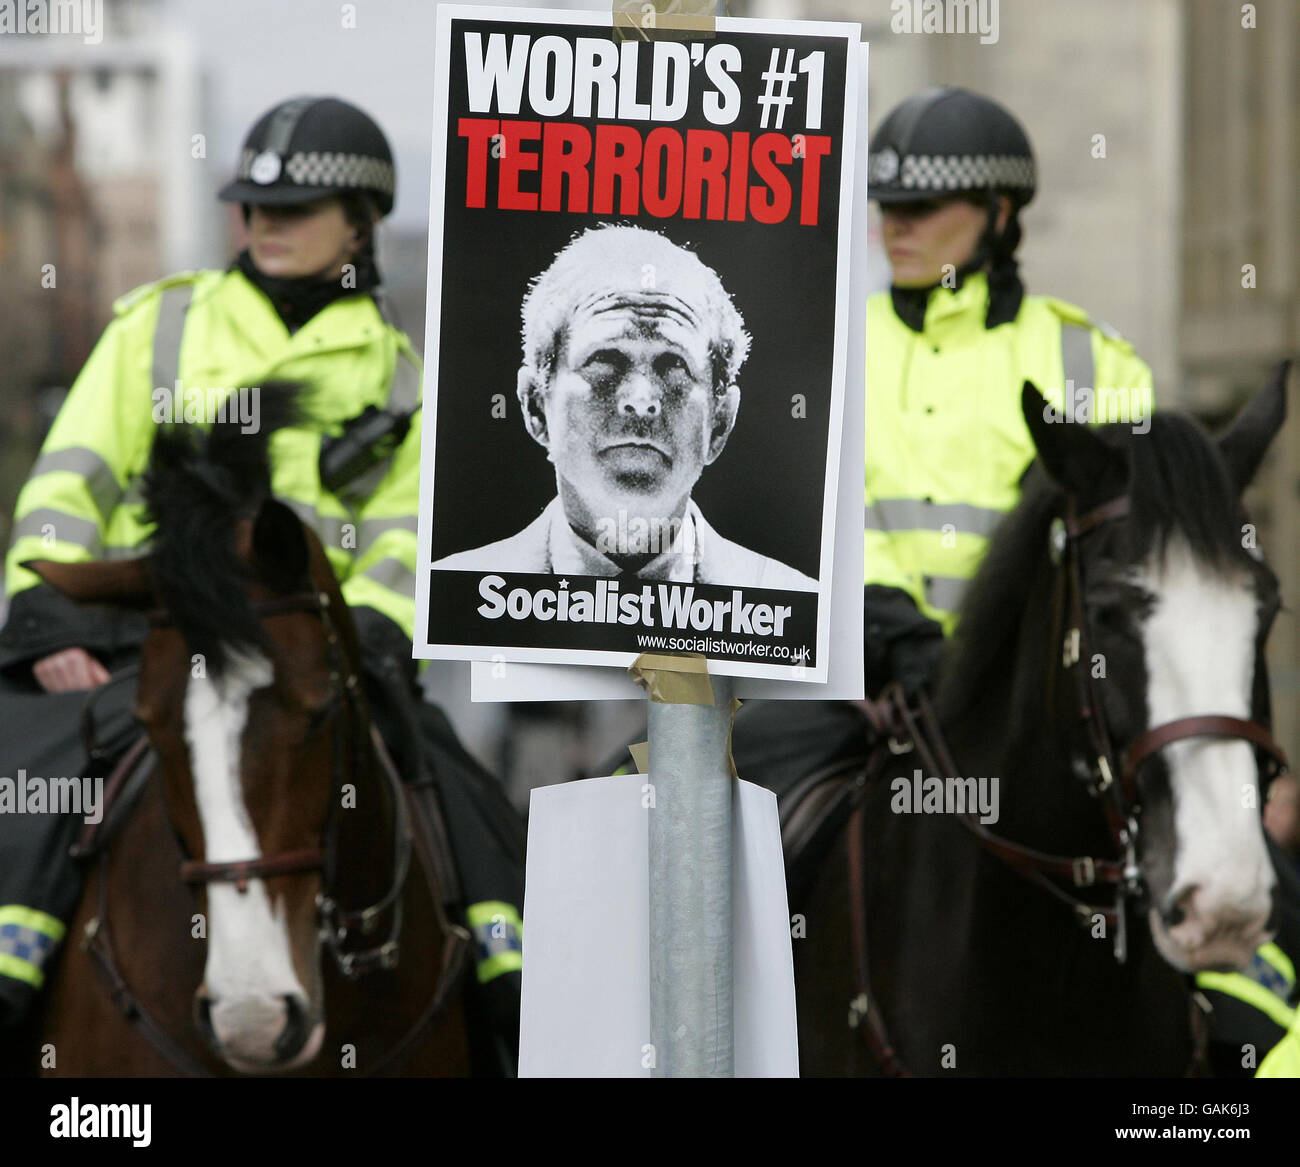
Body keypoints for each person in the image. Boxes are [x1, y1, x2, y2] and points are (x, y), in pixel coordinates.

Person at [0, 95, 524, 1075]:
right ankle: (15, 959)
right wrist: (45, 607)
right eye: (253, 207)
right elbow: (70, 479)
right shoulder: (159, 327)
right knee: (30, 781)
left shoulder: (403, 380)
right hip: (146, 637)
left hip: (318, 657)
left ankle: (507, 973)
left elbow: (404, 539)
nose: (264, 226)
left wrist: (370, 629)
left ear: (362, 223)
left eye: (296, 210)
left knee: (461, 791)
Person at [730, 85, 1154, 896]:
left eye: (922, 205)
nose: (896, 225)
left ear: (997, 211)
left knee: (1241, 905)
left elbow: (1123, 556)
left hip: (1042, 701)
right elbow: (797, 523)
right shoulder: (821, 351)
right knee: (649, 821)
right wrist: (895, 635)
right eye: (886, 203)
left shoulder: (1097, 363)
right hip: (857, 691)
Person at [433, 224, 817, 591]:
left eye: (674, 367)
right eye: (605, 362)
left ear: (719, 423)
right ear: (535, 405)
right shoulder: (452, 596)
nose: (641, 400)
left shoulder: (796, 606)